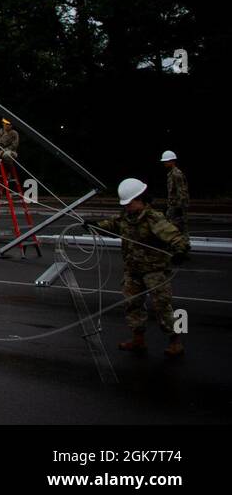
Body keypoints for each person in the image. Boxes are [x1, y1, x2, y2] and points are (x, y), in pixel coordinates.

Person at [84, 177, 189, 357]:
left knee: (162, 306)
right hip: (133, 270)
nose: (127, 206)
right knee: (132, 305)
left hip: (154, 271)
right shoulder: (125, 218)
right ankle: (138, 340)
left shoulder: (153, 219)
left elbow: (175, 237)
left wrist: (181, 251)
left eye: (130, 203)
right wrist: (94, 226)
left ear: (141, 199)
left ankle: (175, 342)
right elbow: (111, 226)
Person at [160, 151, 189, 248]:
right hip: (173, 206)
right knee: (174, 228)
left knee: (179, 228)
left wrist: (180, 208)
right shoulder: (171, 174)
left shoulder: (177, 174)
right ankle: (179, 246)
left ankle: (183, 247)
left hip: (177, 206)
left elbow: (182, 192)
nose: (164, 163)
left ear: (172, 161)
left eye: (166, 161)